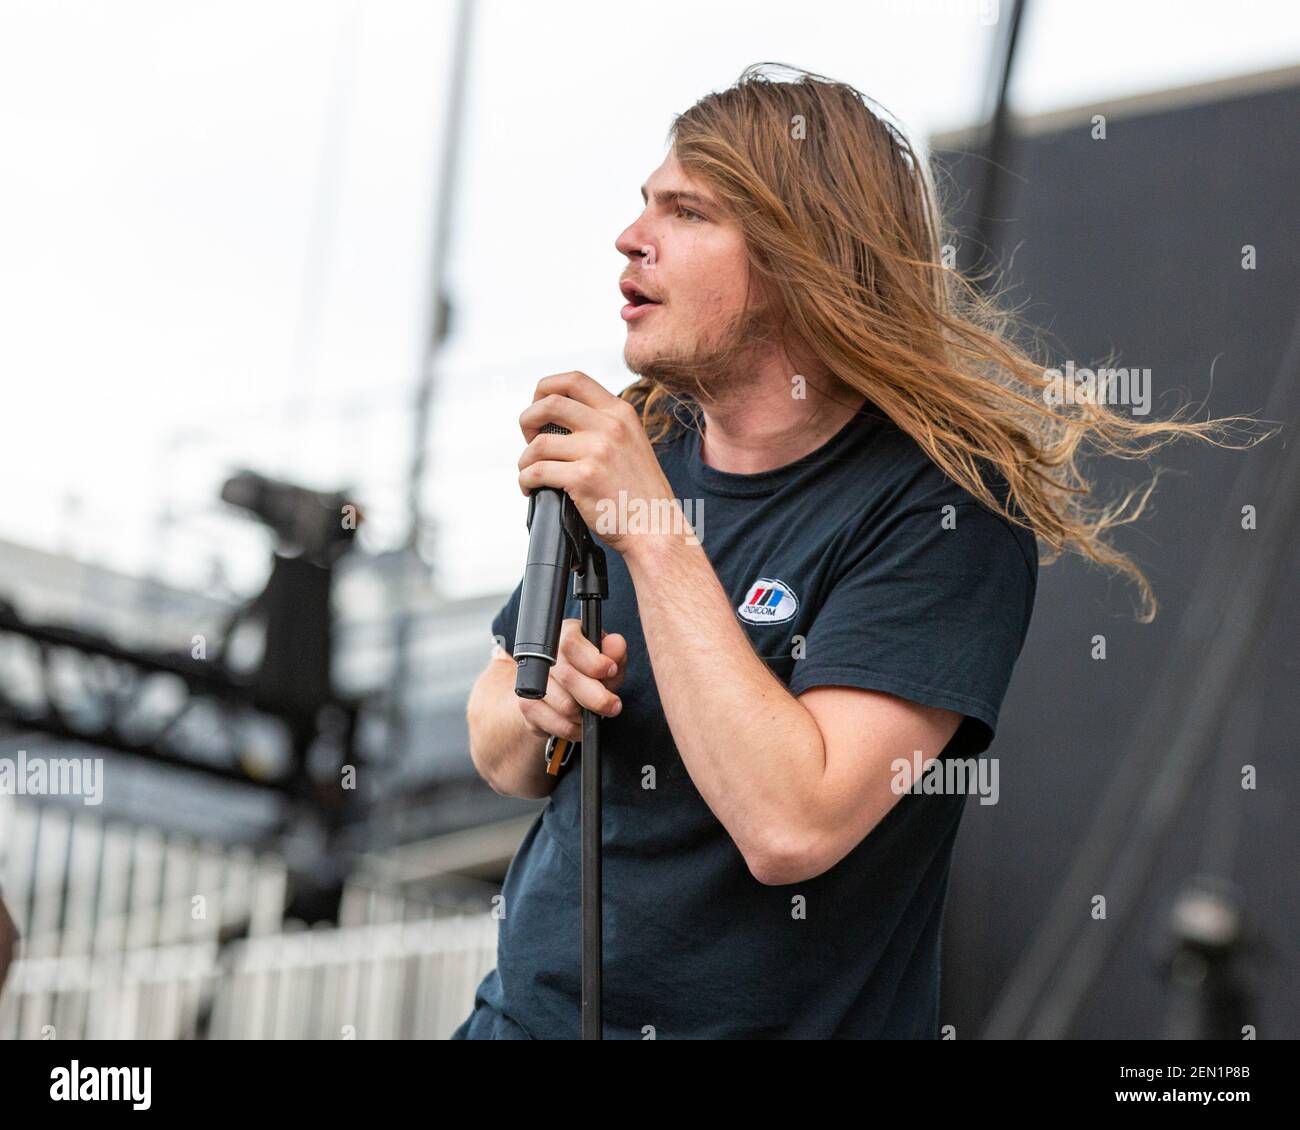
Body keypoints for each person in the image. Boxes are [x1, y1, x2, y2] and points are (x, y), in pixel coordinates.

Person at [452, 64, 1244, 1040]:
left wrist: (654, 535)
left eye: (686, 212)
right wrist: (542, 704)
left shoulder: (941, 512)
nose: (631, 236)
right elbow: (497, 737)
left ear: (800, 255)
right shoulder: (641, 442)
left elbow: (793, 825)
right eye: (644, 203)